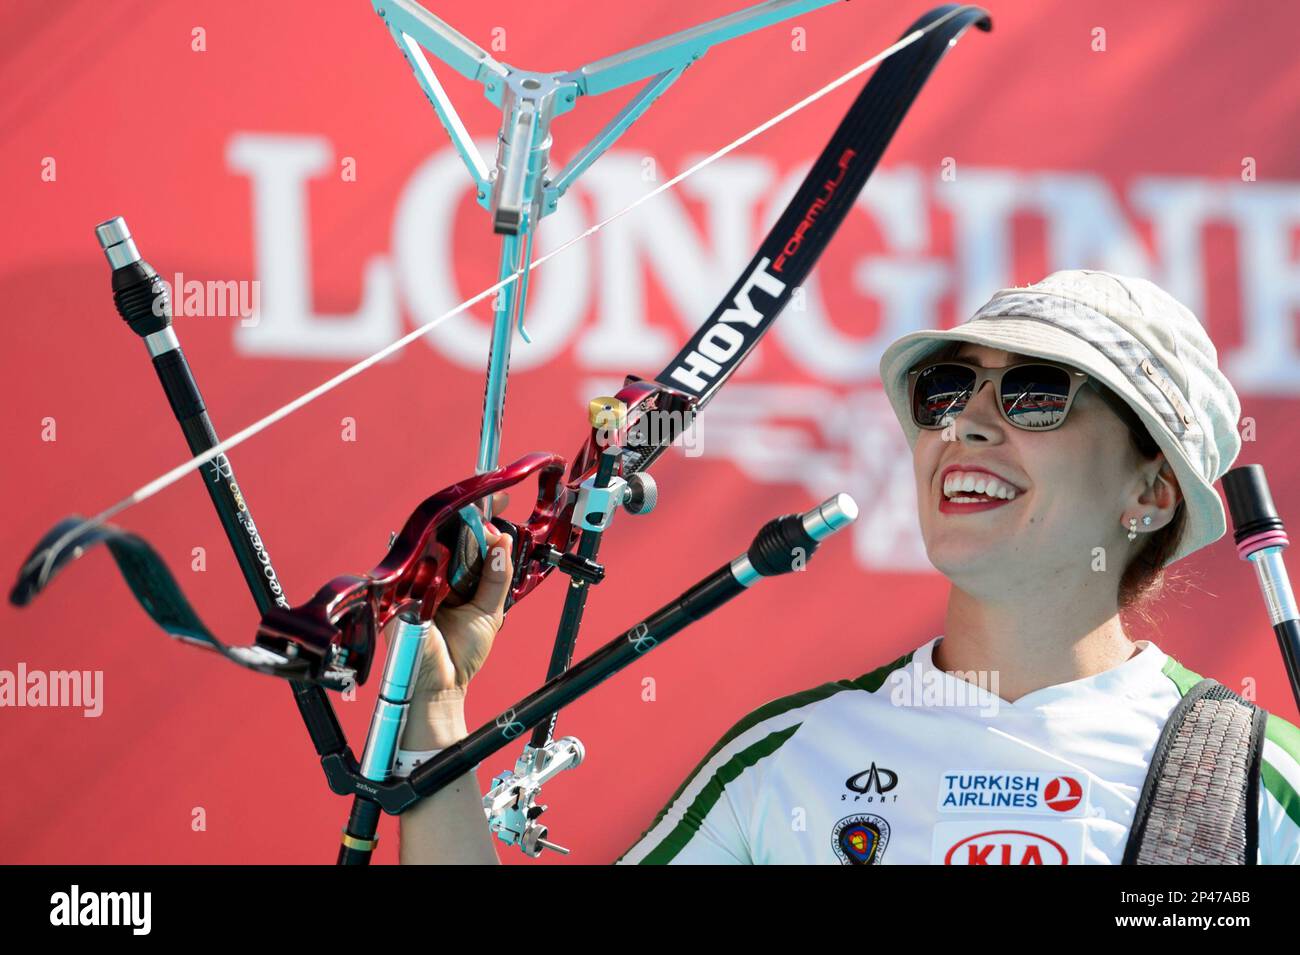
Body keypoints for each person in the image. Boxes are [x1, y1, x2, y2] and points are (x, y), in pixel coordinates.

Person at [397, 270, 1300, 864]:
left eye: (1037, 393)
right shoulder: (791, 756)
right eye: (946, 389)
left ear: (1152, 490)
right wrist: (432, 720)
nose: (967, 423)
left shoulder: (1263, 778)